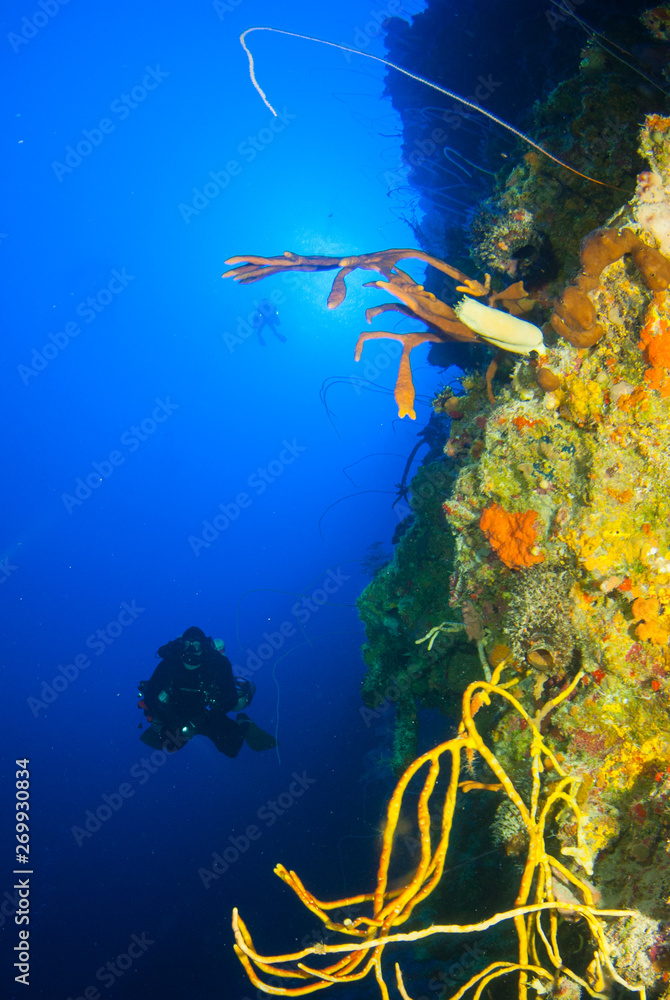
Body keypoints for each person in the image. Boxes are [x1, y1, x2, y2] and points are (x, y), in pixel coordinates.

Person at [137, 626, 276, 756]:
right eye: (187, 644)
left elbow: (230, 697)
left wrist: (201, 719)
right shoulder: (170, 663)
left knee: (232, 748)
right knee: (169, 745)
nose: (191, 648)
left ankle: (243, 723)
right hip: (178, 712)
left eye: (196, 644)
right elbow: (150, 694)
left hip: (208, 713)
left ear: (203, 646)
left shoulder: (218, 663)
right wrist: (169, 716)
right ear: (181, 645)